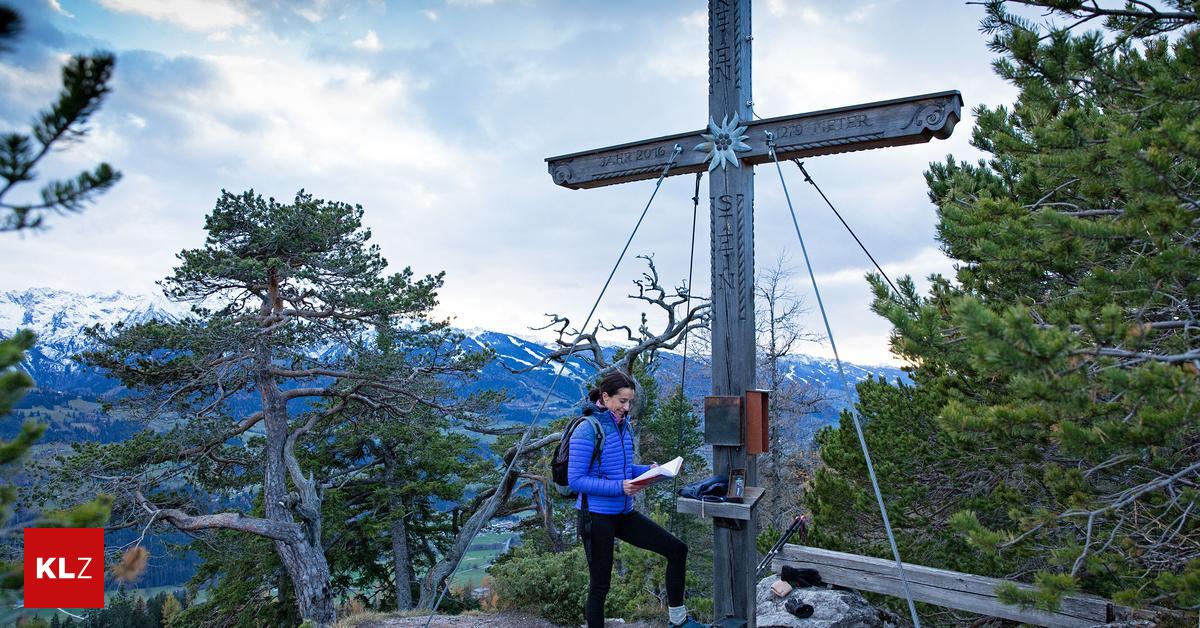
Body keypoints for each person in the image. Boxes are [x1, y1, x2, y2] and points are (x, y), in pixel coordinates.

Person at [568, 370, 705, 628]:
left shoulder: (624, 426)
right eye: (622, 401)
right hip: (596, 515)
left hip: (623, 513)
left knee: (677, 549)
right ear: (605, 397)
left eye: (630, 401)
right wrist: (620, 487)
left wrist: (653, 471)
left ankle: (679, 621)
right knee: (600, 585)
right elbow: (576, 480)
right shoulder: (587, 429)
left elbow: (624, 470)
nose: (626, 407)